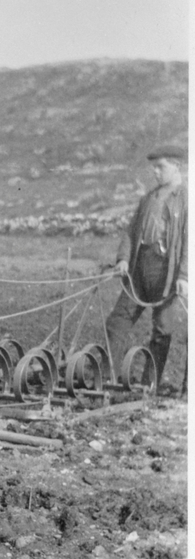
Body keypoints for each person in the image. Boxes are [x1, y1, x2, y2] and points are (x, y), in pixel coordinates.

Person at [105, 145, 187, 392]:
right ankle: (108, 378)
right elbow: (131, 232)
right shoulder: (148, 198)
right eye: (154, 167)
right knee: (116, 323)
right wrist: (122, 260)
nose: (155, 172)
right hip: (139, 272)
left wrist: (184, 276)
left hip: (169, 274)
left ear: (178, 166)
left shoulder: (186, 200)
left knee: (163, 329)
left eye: (160, 166)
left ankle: (149, 384)